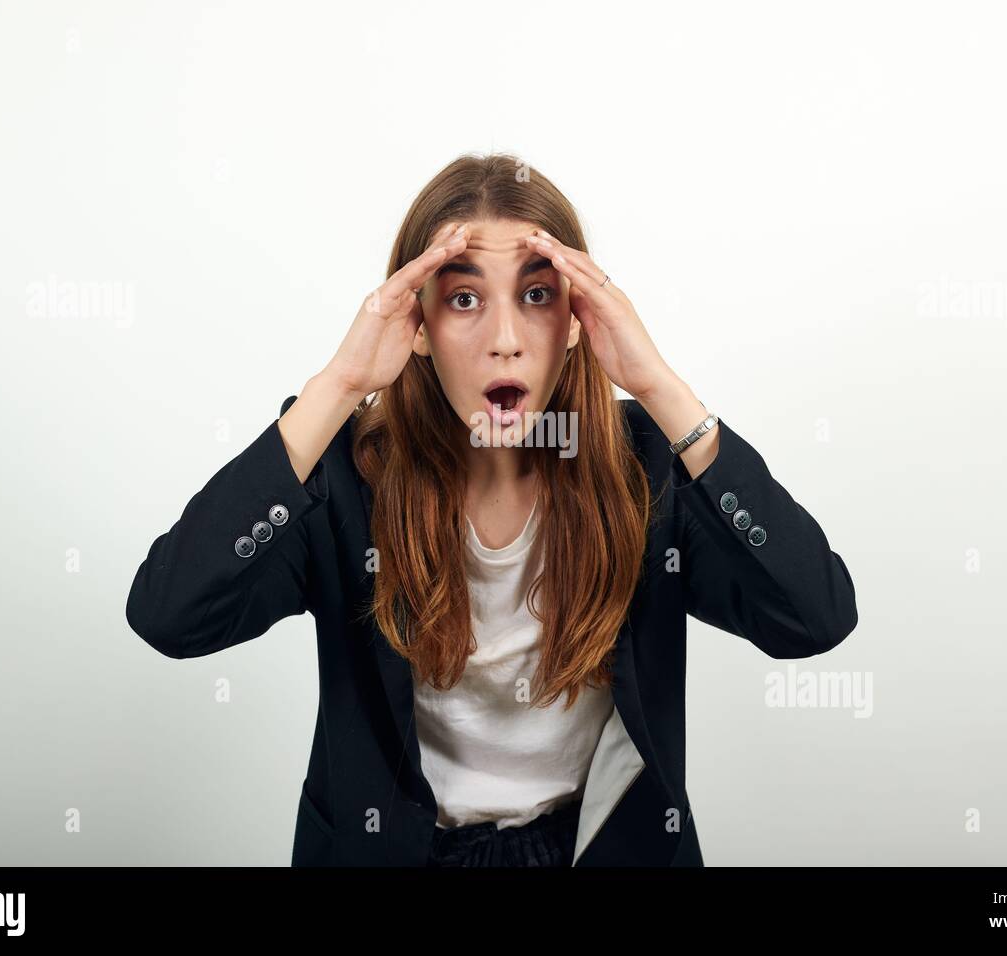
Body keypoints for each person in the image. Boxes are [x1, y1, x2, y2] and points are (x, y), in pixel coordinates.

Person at [125, 152, 859, 866]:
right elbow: (171, 614)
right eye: (464, 299)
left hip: (595, 849)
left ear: (577, 320)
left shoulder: (648, 467)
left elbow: (813, 616)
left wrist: (662, 388)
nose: (505, 341)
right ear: (417, 327)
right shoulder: (348, 476)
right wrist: (340, 384)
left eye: (538, 296)